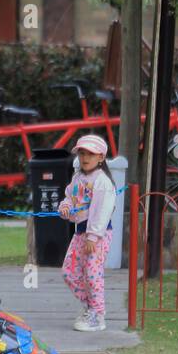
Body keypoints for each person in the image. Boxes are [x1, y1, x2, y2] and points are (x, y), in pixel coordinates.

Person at [58, 135, 118, 331]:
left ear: (100, 157)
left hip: (96, 236)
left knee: (92, 275)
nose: (85, 157)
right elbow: (70, 197)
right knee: (69, 271)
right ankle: (91, 306)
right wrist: (65, 207)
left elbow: (102, 211)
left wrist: (93, 236)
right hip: (79, 233)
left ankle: (97, 314)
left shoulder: (103, 182)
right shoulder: (78, 177)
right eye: (82, 153)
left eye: (90, 154)